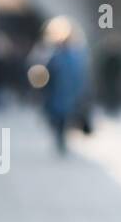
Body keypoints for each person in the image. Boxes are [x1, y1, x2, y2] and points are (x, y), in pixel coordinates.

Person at [37, 17, 88, 155]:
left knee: (63, 117)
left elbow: (79, 76)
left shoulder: (72, 56)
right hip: (57, 93)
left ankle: (61, 139)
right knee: (58, 117)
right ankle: (60, 139)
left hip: (66, 93)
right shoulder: (55, 56)